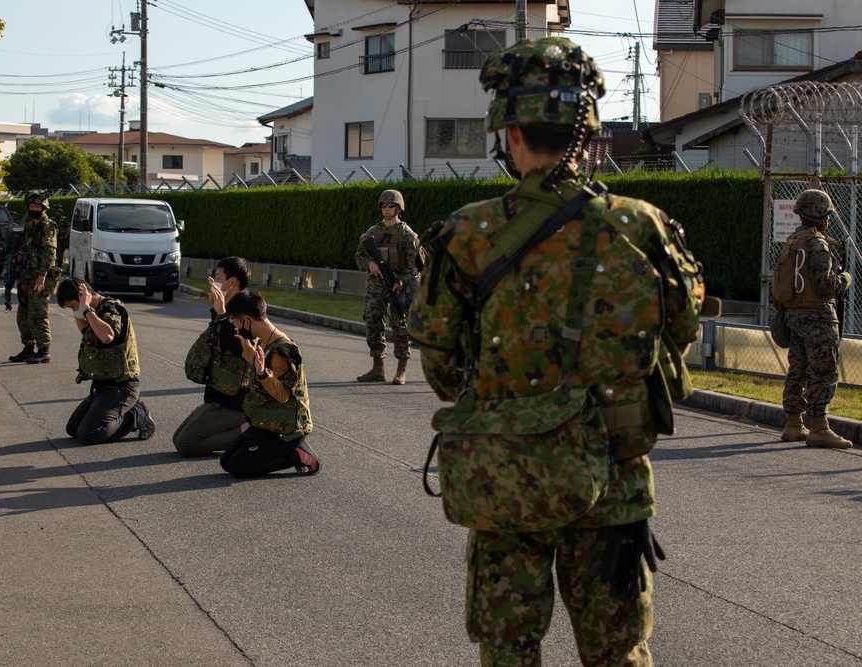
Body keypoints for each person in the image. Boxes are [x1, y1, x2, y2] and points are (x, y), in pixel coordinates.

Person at [410, 37, 707, 666]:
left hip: (503, 480)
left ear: (510, 133)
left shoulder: (467, 233)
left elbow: (438, 362)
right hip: (613, 480)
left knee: (508, 650)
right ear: (588, 132)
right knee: (619, 652)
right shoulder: (642, 226)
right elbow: (681, 333)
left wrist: (500, 395)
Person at [774, 189, 853, 448]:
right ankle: (819, 427)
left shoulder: (793, 241)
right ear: (821, 216)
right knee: (823, 370)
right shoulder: (816, 244)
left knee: (798, 369)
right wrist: (845, 279)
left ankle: (794, 424)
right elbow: (824, 285)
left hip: (794, 315)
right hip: (818, 317)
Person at [218, 290, 319, 477]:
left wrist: (263, 374)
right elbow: (254, 359)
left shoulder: (282, 350)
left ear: (247, 320)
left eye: (238, 323)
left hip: (286, 429)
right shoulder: (264, 341)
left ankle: (297, 455)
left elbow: (282, 395)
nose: (237, 328)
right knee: (226, 462)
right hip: (267, 423)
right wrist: (245, 346)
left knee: (238, 467)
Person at [56, 276, 156, 445]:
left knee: (88, 434)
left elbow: (107, 336)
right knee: (73, 429)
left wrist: (86, 309)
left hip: (122, 386)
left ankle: (134, 416)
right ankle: (121, 411)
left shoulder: (112, 309)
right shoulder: (92, 313)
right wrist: (80, 311)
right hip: (103, 387)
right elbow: (86, 334)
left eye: (73, 305)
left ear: (83, 296)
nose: (74, 311)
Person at [173, 256, 253, 457]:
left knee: (184, 445)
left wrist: (222, 314)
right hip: (218, 397)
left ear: (232, 282)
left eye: (218, 276)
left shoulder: (246, 309)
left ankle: (248, 430)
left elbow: (237, 349)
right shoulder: (226, 308)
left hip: (233, 403)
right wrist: (216, 311)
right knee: (177, 437)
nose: (213, 279)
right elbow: (220, 344)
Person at [354, 189, 421, 385]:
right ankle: (378, 369)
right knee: (373, 323)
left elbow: (415, 265)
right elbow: (360, 255)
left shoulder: (407, 234)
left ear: (399, 208)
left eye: (391, 205)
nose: (386, 209)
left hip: (399, 287)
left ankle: (401, 370)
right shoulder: (372, 233)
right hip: (376, 286)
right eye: (383, 205)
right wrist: (369, 265)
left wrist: (400, 281)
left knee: (400, 326)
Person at [9, 191, 60, 364]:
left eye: (37, 206)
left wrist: (42, 275)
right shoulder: (30, 225)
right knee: (23, 314)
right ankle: (28, 347)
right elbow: (26, 247)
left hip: (39, 277)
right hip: (26, 276)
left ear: (44, 207)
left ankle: (44, 349)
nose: (34, 209)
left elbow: (49, 253)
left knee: (38, 314)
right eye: (31, 206)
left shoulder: (48, 226)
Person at [52, 204, 69, 271]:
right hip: (55, 239)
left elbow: (68, 227)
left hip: (62, 239)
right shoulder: (52, 220)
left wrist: (66, 234)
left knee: (61, 254)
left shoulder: (64, 219)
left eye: (58, 212)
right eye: (56, 212)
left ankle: (59, 266)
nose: (57, 213)